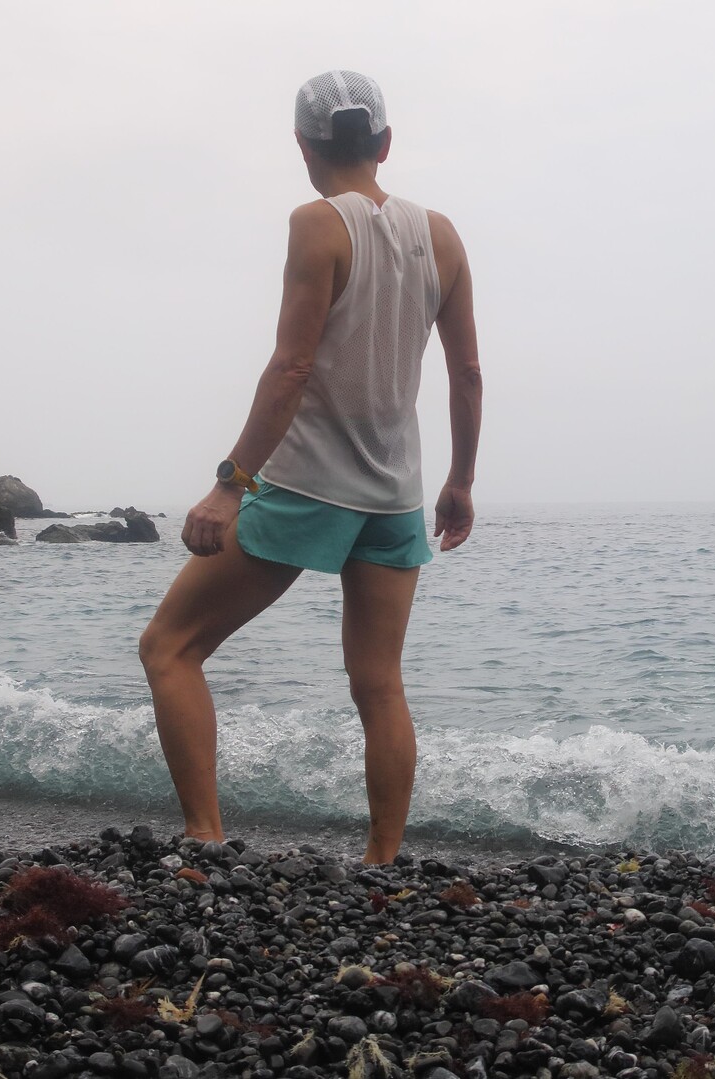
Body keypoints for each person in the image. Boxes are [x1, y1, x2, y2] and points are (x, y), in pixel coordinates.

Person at [138, 71, 482, 865]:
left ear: (304, 146)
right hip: (394, 494)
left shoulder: (317, 224)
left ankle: (204, 837)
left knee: (170, 646)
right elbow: (467, 372)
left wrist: (230, 484)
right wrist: (460, 478)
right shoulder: (442, 234)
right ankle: (381, 862)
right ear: (385, 144)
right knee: (379, 684)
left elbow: (291, 368)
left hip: (305, 486)